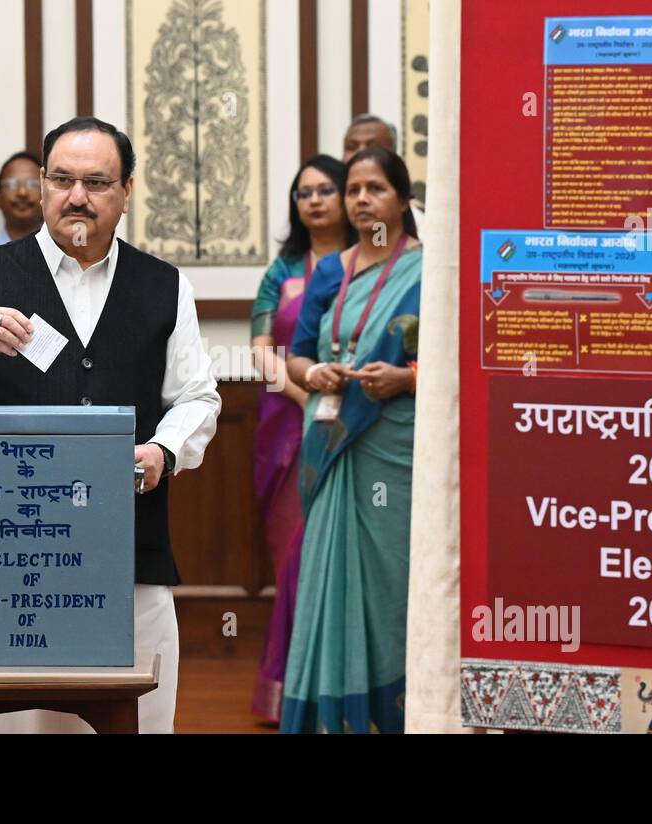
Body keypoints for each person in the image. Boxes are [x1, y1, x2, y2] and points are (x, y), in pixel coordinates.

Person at [0, 116, 221, 734]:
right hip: (5, 560)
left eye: (97, 182)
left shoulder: (163, 285)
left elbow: (198, 397)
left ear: (127, 190)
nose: (77, 196)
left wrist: (164, 451)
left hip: (130, 553)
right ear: (44, 185)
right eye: (63, 180)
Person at [282, 146, 422, 733]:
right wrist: (314, 375)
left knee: (392, 580)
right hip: (333, 442)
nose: (362, 199)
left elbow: (459, 363)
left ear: (401, 198)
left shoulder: (430, 271)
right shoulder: (332, 272)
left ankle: (402, 714)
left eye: (376, 189)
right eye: (354, 189)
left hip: (396, 445)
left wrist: (407, 377)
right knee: (330, 574)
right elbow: (297, 357)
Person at [249, 154, 355, 722]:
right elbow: (262, 353)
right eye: (303, 193)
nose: (313, 201)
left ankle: (339, 680)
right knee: (294, 552)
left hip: (354, 420)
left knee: (339, 548)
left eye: (325, 190)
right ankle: (287, 687)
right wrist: (304, 397)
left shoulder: (365, 263)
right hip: (287, 428)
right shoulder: (282, 271)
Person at [341, 114, 424, 233]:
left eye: (376, 189)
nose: (362, 152)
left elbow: (379, 243)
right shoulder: (331, 210)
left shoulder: (419, 227)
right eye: (352, 146)